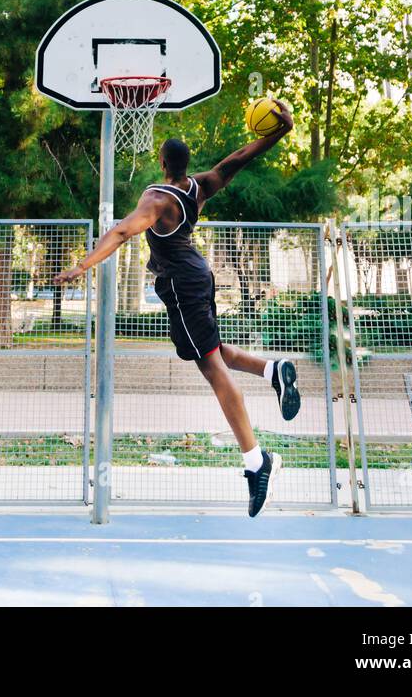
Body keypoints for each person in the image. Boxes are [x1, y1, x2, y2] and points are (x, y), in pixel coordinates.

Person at [56, 99, 298, 517]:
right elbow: (239, 158)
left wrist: (83, 264)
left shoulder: (156, 199)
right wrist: (280, 131)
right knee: (212, 350)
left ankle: (257, 462)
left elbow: (121, 231)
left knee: (211, 367)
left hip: (182, 283)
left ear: (162, 161)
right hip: (197, 274)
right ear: (185, 163)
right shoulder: (198, 187)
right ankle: (272, 370)